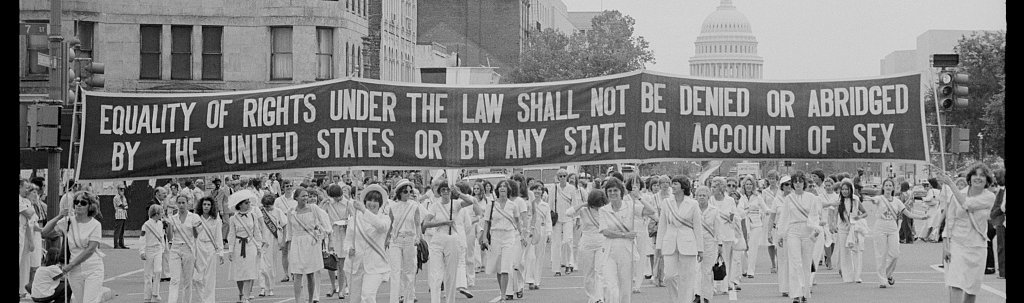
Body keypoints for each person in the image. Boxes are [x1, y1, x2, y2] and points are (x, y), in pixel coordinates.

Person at [938, 164, 996, 303]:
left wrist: (951, 184)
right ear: (970, 178)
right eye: (975, 174)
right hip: (957, 244)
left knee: (971, 288)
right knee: (956, 283)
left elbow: (967, 204)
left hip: (978, 247)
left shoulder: (989, 197)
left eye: (982, 175)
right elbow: (949, 221)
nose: (978, 178)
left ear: (987, 180)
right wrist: (945, 245)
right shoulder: (958, 194)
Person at [863, 178, 929, 289]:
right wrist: (870, 199)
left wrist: (922, 217)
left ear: (893, 188)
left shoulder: (897, 201)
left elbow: (908, 214)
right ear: (883, 187)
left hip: (892, 227)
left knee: (895, 254)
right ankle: (882, 280)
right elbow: (875, 200)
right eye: (886, 185)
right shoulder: (880, 198)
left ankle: (888, 274)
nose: (888, 187)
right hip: (880, 226)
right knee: (881, 254)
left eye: (890, 185)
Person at [41, 191, 105, 303]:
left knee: (90, 301)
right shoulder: (68, 221)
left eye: (83, 202)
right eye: (76, 202)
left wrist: (71, 265)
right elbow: (45, 233)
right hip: (74, 271)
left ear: (90, 206)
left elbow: (90, 249)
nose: (79, 205)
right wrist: (60, 215)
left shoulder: (95, 225)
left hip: (92, 268)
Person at [601, 177, 656, 303]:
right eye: (609, 191)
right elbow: (605, 232)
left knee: (625, 289)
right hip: (609, 252)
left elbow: (651, 211)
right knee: (611, 286)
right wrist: (625, 235)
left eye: (615, 190)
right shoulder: (604, 210)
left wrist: (639, 197)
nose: (613, 193)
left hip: (626, 252)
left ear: (621, 191)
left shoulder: (630, 206)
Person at [424, 181, 481, 303]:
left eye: (447, 190)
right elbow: (426, 223)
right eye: (443, 190)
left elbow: (471, 202)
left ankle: (450, 300)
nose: (445, 192)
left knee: (451, 274)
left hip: (452, 239)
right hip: (438, 238)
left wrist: (458, 193)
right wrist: (443, 223)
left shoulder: (455, 204)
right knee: (436, 274)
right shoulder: (434, 205)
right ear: (439, 192)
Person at [773, 172, 823, 303]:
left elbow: (815, 216)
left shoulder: (811, 197)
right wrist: (780, 235)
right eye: (795, 182)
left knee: (806, 263)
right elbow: (784, 218)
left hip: (807, 231)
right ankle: (796, 293)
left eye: (800, 181)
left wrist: (815, 229)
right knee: (795, 262)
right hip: (793, 231)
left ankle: (805, 292)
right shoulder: (789, 199)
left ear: (804, 183)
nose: (798, 184)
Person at [655, 175, 702, 302]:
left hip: (688, 244)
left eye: (676, 183)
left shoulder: (693, 203)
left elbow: (698, 227)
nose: (673, 186)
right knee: (669, 277)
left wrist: (700, 249)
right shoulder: (666, 203)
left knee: (686, 278)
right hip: (669, 244)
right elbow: (662, 226)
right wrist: (658, 246)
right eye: (673, 183)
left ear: (683, 186)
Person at [480, 180, 528, 302]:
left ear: (508, 190)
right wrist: (484, 237)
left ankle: (503, 295)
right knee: (498, 267)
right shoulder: (491, 205)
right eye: (500, 186)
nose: (502, 188)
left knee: (506, 266)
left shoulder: (513, 205)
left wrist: (522, 235)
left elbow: (517, 221)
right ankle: (502, 291)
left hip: (509, 236)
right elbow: (486, 222)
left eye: (504, 187)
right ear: (497, 190)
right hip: (495, 236)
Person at [345, 184, 392, 303]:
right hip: (355, 265)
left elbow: (381, 227)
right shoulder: (355, 218)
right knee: (354, 299)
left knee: (367, 296)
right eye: (369, 200)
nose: (372, 203)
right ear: (365, 201)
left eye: (376, 201)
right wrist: (348, 249)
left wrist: (363, 210)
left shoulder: (385, 218)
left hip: (374, 266)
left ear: (380, 203)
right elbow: (348, 239)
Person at [285, 187, 331, 303]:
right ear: (296, 198)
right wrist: (289, 246)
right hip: (297, 242)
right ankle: (298, 300)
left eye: (307, 196)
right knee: (297, 273)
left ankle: (310, 300)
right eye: (303, 196)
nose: (306, 198)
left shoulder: (313, 208)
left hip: (311, 243)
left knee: (311, 274)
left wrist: (323, 233)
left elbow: (324, 220)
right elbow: (289, 232)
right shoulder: (291, 212)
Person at [385, 179, 427, 303]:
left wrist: (418, 237)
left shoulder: (414, 206)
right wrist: (387, 239)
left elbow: (418, 223)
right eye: (405, 191)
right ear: (399, 193)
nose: (408, 193)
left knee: (409, 271)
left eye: (410, 191)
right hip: (396, 240)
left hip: (410, 239)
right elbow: (390, 224)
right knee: (395, 271)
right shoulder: (392, 206)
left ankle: (409, 298)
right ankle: (394, 299)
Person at [566, 189, 608, 303]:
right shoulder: (584, 210)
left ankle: (599, 297)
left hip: (601, 243)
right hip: (586, 244)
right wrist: (583, 204)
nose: (597, 207)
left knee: (600, 271)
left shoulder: (604, 210)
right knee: (588, 273)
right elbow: (568, 213)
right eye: (595, 204)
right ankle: (591, 297)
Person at [825, 180, 867, 283]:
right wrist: (832, 224)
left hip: (854, 228)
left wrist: (858, 217)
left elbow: (865, 213)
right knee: (845, 253)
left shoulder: (855, 199)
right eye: (842, 189)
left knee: (856, 251)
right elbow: (832, 213)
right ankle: (847, 276)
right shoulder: (838, 200)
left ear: (850, 190)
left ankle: (857, 276)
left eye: (846, 189)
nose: (844, 191)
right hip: (843, 229)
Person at [228, 192, 264, 303]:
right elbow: (232, 235)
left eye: (249, 202)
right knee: (239, 272)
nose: (249, 204)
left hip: (250, 245)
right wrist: (230, 250)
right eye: (246, 203)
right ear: (239, 205)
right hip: (238, 246)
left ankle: (246, 296)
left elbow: (257, 232)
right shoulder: (233, 219)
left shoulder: (253, 215)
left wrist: (259, 245)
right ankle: (241, 293)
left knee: (249, 271)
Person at [165, 195, 201, 303]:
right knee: (174, 280)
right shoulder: (172, 218)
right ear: (176, 204)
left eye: (183, 203)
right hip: (175, 248)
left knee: (187, 281)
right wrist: (169, 227)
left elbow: (196, 236)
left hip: (188, 248)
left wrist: (195, 227)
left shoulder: (194, 217)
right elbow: (170, 237)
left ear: (187, 203)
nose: (181, 205)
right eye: (179, 203)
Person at [709, 177, 742, 291]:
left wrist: (731, 218)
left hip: (727, 233)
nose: (712, 189)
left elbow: (735, 216)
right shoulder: (710, 200)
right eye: (712, 186)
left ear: (720, 188)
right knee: (713, 259)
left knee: (726, 259)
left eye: (714, 187)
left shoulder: (730, 200)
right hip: (713, 234)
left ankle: (727, 284)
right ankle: (712, 285)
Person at [547, 169, 581, 277]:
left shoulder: (571, 188)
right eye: (560, 176)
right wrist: (549, 219)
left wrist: (577, 218)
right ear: (557, 177)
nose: (562, 178)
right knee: (556, 243)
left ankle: (568, 264)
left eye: (564, 176)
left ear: (566, 177)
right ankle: (556, 269)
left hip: (568, 218)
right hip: (556, 219)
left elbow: (575, 204)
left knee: (567, 241)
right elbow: (550, 204)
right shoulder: (553, 188)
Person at [694, 185, 723, 303]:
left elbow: (718, 229)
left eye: (704, 195)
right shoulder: (693, 209)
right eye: (699, 195)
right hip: (695, 244)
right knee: (696, 270)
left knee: (706, 271)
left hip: (710, 243)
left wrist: (720, 244)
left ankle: (706, 296)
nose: (701, 197)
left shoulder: (714, 210)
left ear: (708, 197)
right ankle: (696, 294)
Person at [322, 184, 351, 298]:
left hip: (343, 234)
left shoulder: (348, 203)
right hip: (331, 234)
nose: (337, 199)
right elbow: (321, 215)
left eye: (338, 197)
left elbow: (353, 218)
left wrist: (347, 223)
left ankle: (342, 288)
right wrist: (323, 203)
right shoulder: (329, 203)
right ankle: (333, 286)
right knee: (331, 262)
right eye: (335, 197)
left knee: (341, 263)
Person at [194, 196, 224, 303]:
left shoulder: (216, 219)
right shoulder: (195, 217)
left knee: (210, 277)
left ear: (211, 206)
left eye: (208, 205)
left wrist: (220, 252)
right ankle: (202, 298)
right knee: (197, 277)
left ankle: (209, 300)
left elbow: (218, 235)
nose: (206, 207)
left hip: (211, 248)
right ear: (201, 206)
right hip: (198, 247)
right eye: (204, 204)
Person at [738, 176, 767, 279]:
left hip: (756, 224)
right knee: (744, 247)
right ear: (744, 186)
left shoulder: (758, 197)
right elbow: (739, 210)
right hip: (745, 224)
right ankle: (744, 269)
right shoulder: (741, 197)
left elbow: (765, 209)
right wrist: (747, 210)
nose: (748, 186)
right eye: (747, 184)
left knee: (753, 248)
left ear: (753, 186)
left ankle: (751, 271)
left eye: (750, 184)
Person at [524, 182, 551, 291]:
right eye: (535, 189)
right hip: (531, 231)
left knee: (539, 256)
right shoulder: (528, 204)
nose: (537, 192)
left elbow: (548, 220)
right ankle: (530, 280)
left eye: (539, 190)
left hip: (542, 230)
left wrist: (549, 233)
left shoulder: (545, 205)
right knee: (531, 256)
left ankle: (536, 281)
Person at [139, 204, 166, 302]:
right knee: (148, 274)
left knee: (158, 270)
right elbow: (142, 238)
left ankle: (155, 293)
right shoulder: (146, 225)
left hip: (158, 249)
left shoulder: (160, 223)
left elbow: (162, 236)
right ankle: (147, 296)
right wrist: (142, 251)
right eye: (161, 212)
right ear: (157, 213)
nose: (162, 214)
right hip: (149, 250)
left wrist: (163, 247)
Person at [275, 179, 298, 282]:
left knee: (293, 251)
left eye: (290, 186)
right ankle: (285, 273)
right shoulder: (278, 200)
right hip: (284, 227)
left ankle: (294, 272)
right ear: (283, 188)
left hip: (294, 227)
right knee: (284, 252)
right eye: (286, 186)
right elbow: (275, 214)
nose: (289, 187)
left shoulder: (296, 199)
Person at [761, 171, 782, 274]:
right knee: (770, 243)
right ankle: (773, 263)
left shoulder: (781, 190)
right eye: (770, 178)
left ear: (777, 179)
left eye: (773, 178)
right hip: (769, 217)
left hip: (779, 217)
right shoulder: (765, 191)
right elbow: (763, 205)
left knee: (778, 241)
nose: (772, 180)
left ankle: (779, 263)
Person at [988, 169, 1006, 279]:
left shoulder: (1002, 190)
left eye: (996, 176)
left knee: (1001, 247)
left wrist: (992, 215)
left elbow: (1002, 207)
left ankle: (1003, 272)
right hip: (1000, 221)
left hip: (1001, 221)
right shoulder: (1000, 190)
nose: (995, 178)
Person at [113, 184, 129, 249]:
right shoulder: (116, 197)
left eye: (123, 189)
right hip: (119, 215)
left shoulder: (123, 197)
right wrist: (124, 206)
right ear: (118, 189)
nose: (122, 190)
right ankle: (116, 244)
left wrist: (125, 206)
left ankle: (121, 244)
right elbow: (121, 205)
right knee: (117, 231)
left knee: (122, 231)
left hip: (123, 215)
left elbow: (126, 205)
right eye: (121, 189)